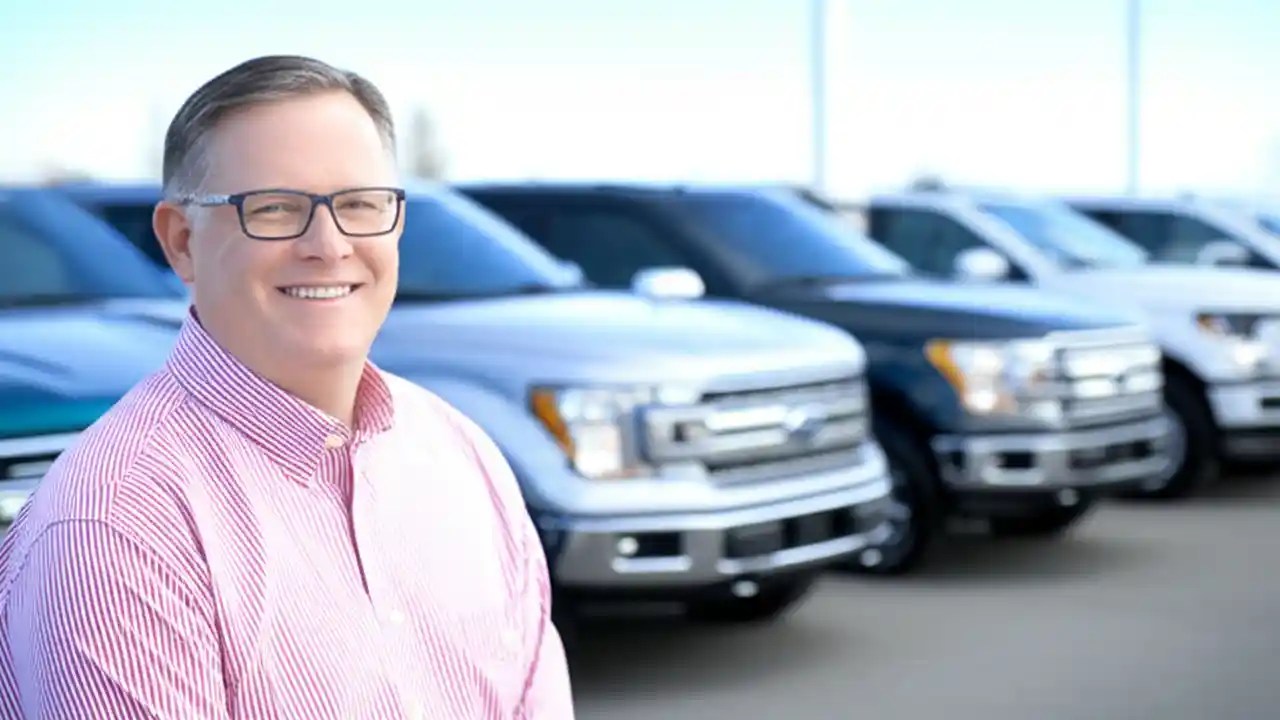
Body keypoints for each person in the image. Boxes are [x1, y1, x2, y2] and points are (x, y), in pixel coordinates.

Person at [0, 55, 575, 719]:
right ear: (181, 241)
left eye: (360, 204)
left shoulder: (462, 455)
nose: (328, 245)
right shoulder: (115, 523)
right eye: (273, 209)